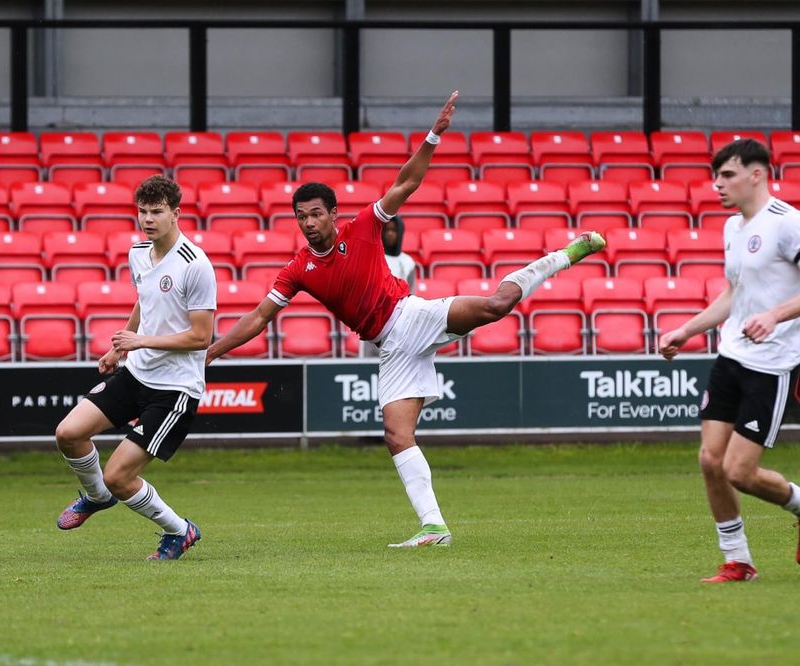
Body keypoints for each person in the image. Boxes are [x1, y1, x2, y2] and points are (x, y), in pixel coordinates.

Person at [205, 91, 606, 548]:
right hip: (391, 348)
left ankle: (565, 255)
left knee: (496, 306)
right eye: (301, 217)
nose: (309, 223)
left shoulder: (363, 226)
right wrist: (213, 352)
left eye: (316, 214)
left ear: (333, 214)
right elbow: (260, 316)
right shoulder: (299, 268)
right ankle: (434, 527)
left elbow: (406, 183)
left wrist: (434, 134)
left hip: (411, 316)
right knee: (396, 435)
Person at [659, 138, 800, 583]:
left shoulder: (787, 223)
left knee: (739, 471)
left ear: (756, 175)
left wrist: (775, 315)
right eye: (716, 176)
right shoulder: (732, 228)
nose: (718, 184)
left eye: (728, 175)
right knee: (710, 460)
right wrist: (688, 329)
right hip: (731, 356)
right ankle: (738, 560)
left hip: (770, 364)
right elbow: (734, 294)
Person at [54, 175, 216, 560]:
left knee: (119, 476)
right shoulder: (138, 252)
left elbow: (201, 337)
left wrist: (141, 341)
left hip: (174, 389)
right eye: (142, 211)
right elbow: (145, 300)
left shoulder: (196, 265)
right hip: (136, 373)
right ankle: (97, 497)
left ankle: (179, 531)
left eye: (156, 212)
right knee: (68, 433)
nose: (148, 219)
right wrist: (119, 348)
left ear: (176, 213)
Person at [361, 215, 417, 357]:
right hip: (373, 320)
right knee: (370, 364)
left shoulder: (408, 262)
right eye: (387, 230)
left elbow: (411, 294)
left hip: (399, 322)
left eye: (394, 230)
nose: (390, 234)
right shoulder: (374, 257)